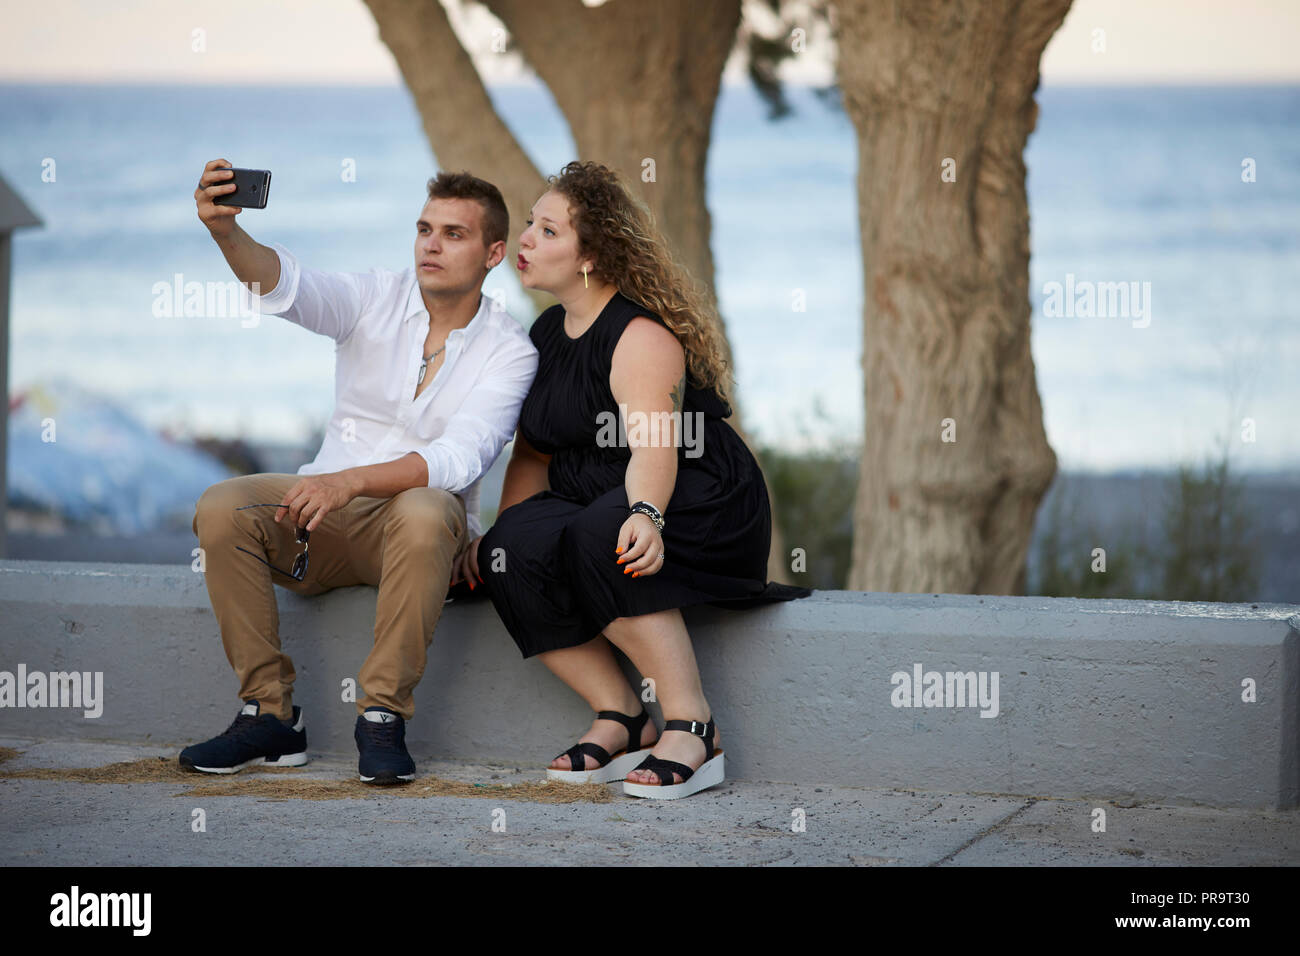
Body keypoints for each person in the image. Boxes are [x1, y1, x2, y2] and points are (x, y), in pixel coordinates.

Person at [452, 160, 812, 800]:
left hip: (696, 492)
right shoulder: (546, 333)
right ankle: (620, 714)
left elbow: (654, 448)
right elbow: (533, 455)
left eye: (548, 230)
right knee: (512, 553)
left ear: (590, 256)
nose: (527, 240)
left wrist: (646, 511)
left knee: (603, 532)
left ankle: (693, 727)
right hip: (597, 495)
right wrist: (497, 533)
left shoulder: (639, 335)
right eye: (530, 223)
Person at [182, 160, 537, 784]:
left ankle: (381, 717)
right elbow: (287, 287)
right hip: (318, 522)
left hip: (411, 537)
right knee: (221, 505)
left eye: (454, 234)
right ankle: (270, 717)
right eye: (425, 228)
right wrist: (226, 234)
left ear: (494, 253)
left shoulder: (510, 350)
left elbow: (461, 457)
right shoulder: (375, 295)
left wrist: (348, 480)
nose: (431, 243)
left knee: (430, 507)